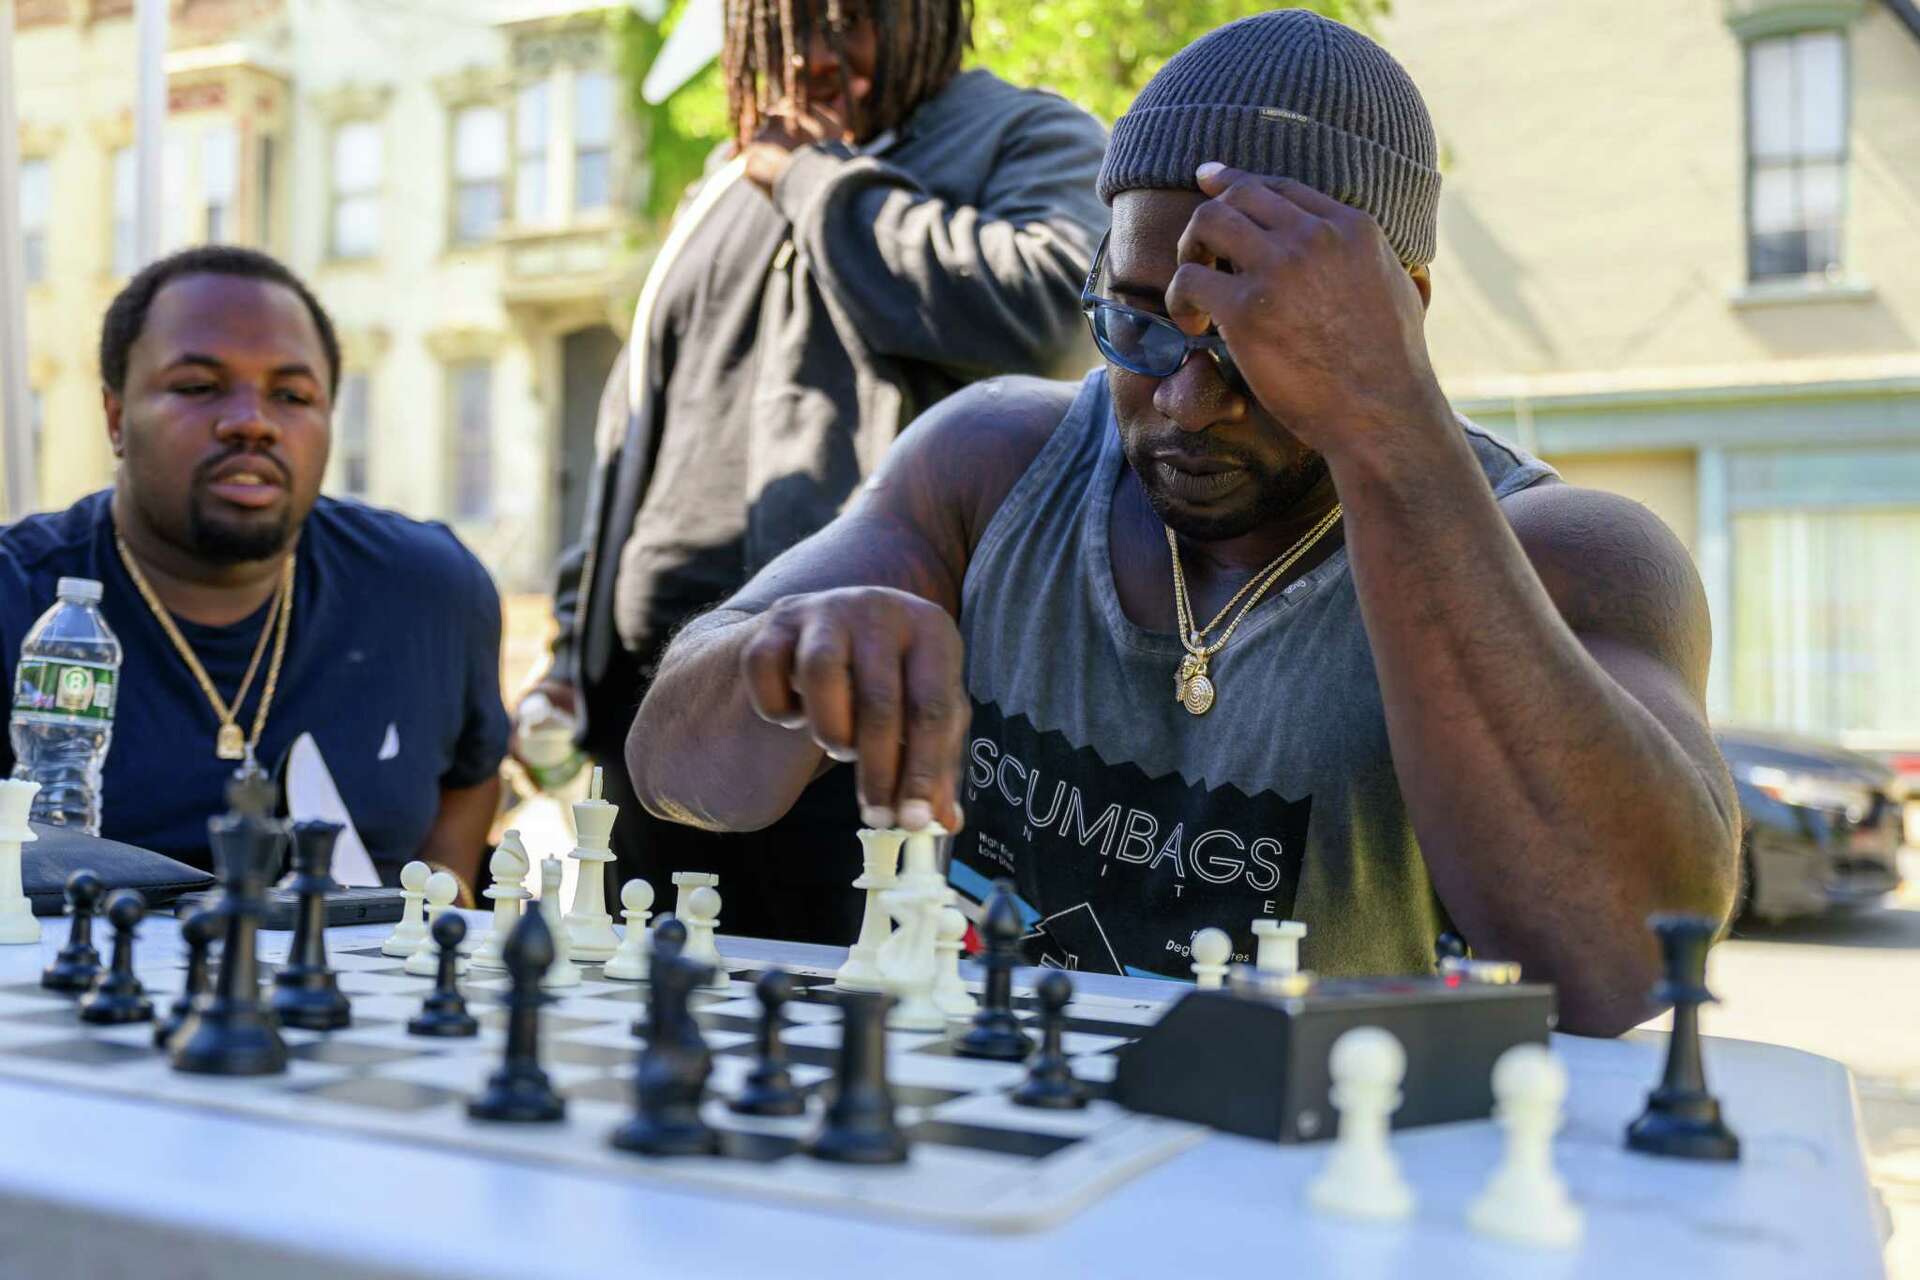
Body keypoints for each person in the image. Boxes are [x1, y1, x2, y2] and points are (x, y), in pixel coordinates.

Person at [623, 11, 1742, 1037]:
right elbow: (672, 762)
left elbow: (1623, 967)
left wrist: (1390, 429)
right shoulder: (995, 463)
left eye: (1251, 341)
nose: (1185, 398)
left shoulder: (1569, 552)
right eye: (1139, 325)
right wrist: (783, 660)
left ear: (1399, 310)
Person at [523, 0, 1109, 943]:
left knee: (831, 1043)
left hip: (851, 725)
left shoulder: (1025, 134)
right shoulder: (723, 183)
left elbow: (1056, 306)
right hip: (655, 713)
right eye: (786, 30)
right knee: (642, 1019)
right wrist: (567, 654)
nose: (815, 56)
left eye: (851, 21)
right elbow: (635, 428)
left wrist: (815, 185)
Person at [0, 246, 509, 886]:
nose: (251, 423)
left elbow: (471, 779)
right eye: (198, 388)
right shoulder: (15, 592)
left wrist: (435, 908)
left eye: (291, 395)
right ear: (115, 417)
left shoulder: (430, 591)